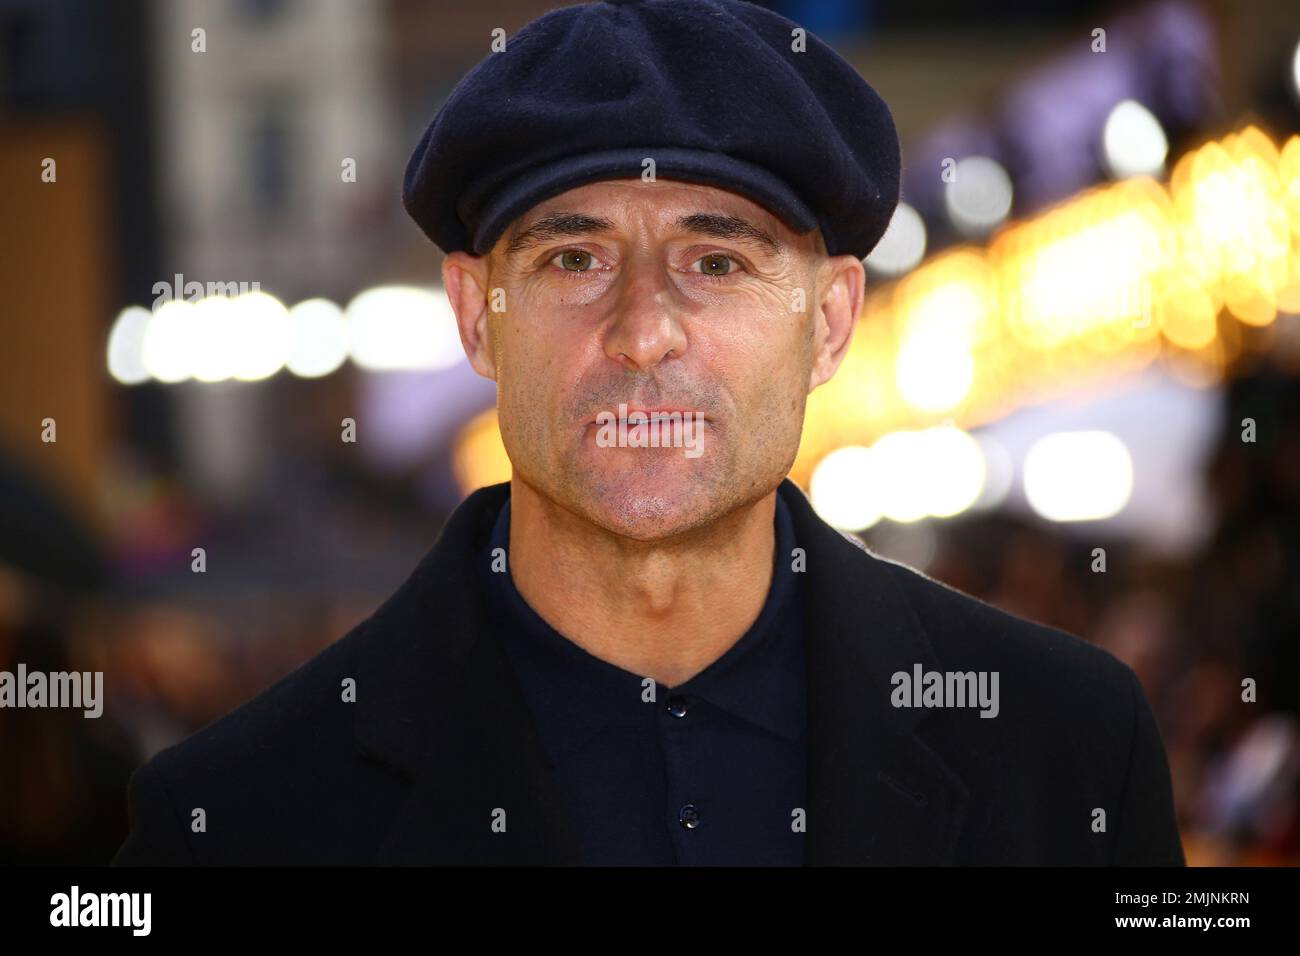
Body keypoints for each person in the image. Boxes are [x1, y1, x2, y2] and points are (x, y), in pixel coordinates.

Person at [113, 0, 1184, 866]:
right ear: (474, 315)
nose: (642, 331)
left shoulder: (1067, 746)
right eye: (572, 260)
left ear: (830, 320)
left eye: (716, 261)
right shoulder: (236, 816)